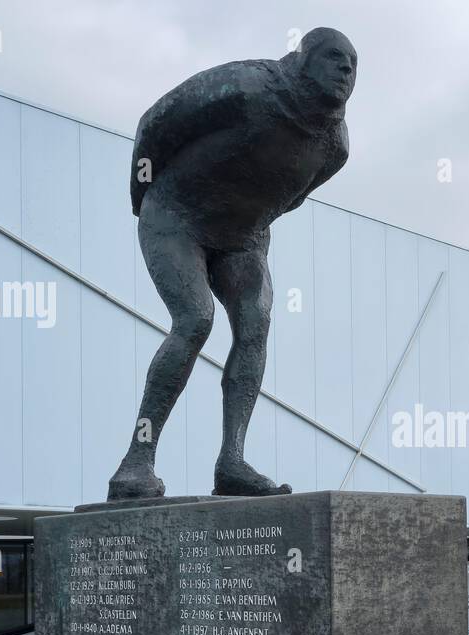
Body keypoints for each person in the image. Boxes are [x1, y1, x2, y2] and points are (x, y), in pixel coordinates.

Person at [108, 28, 357, 500]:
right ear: (303, 60)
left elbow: (291, 197)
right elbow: (154, 124)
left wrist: (248, 223)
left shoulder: (335, 147)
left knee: (255, 326)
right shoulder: (248, 87)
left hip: (243, 238)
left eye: (353, 64)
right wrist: (144, 198)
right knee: (195, 320)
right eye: (333, 57)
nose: (346, 69)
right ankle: (136, 463)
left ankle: (232, 462)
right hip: (177, 216)